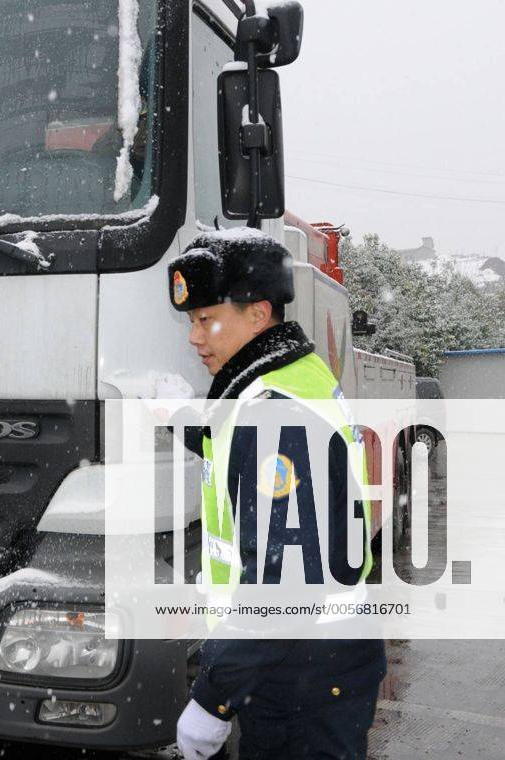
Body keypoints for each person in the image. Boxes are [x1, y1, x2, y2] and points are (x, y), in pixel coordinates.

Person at [169, 231, 387, 759]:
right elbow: (236, 451)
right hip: (309, 663)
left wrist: (211, 701)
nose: (194, 338)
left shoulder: (275, 413)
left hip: (305, 674)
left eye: (206, 320)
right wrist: (176, 417)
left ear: (258, 314)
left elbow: (283, 583)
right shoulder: (284, 377)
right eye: (192, 322)